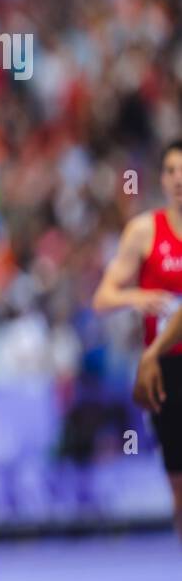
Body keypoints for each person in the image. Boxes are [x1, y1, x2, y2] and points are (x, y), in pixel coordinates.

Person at [95, 138, 182, 542]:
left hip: (154, 356)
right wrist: (136, 296)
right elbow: (102, 297)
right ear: (161, 178)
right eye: (170, 170)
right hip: (165, 371)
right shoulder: (145, 231)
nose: (178, 178)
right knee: (179, 490)